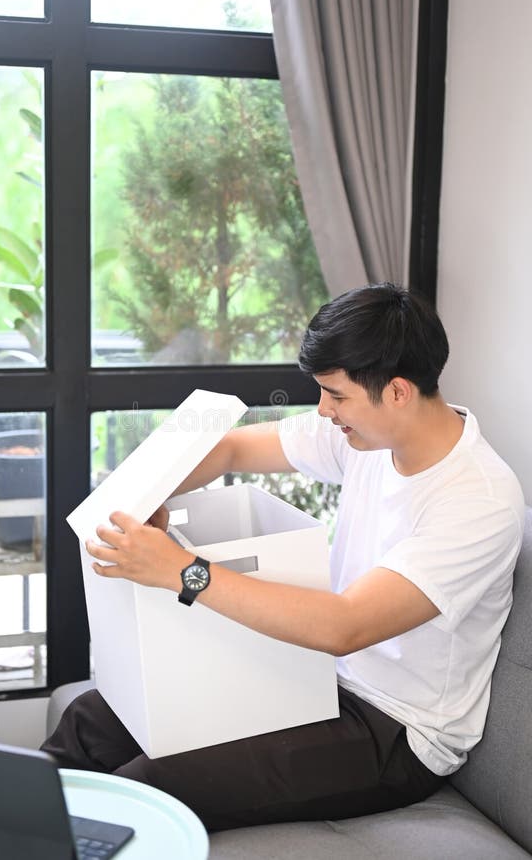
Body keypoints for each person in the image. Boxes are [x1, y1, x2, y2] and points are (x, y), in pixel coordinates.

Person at [42, 282, 525, 832]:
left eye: (335, 395)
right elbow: (231, 447)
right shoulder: (369, 437)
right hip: (314, 676)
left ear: (396, 392)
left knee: (149, 785)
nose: (323, 410)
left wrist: (179, 571)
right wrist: (148, 496)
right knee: (91, 720)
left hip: (394, 729)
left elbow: (346, 625)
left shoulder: (478, 501)